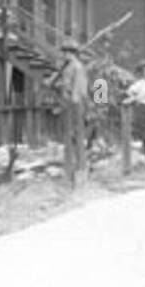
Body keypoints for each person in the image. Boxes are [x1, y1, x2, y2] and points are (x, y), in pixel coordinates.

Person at [55, 38, 89, 183]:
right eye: (64, 52)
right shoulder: (67, 67)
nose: (65, 55)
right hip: (67, 102)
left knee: (77, 135)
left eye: (67, 52)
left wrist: (74, 102)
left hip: (75, 103)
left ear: (73, 53)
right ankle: (70, 169)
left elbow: (79, 86)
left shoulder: (78, 67)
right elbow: (65, 82)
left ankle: (80, 168)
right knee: (69, 135)